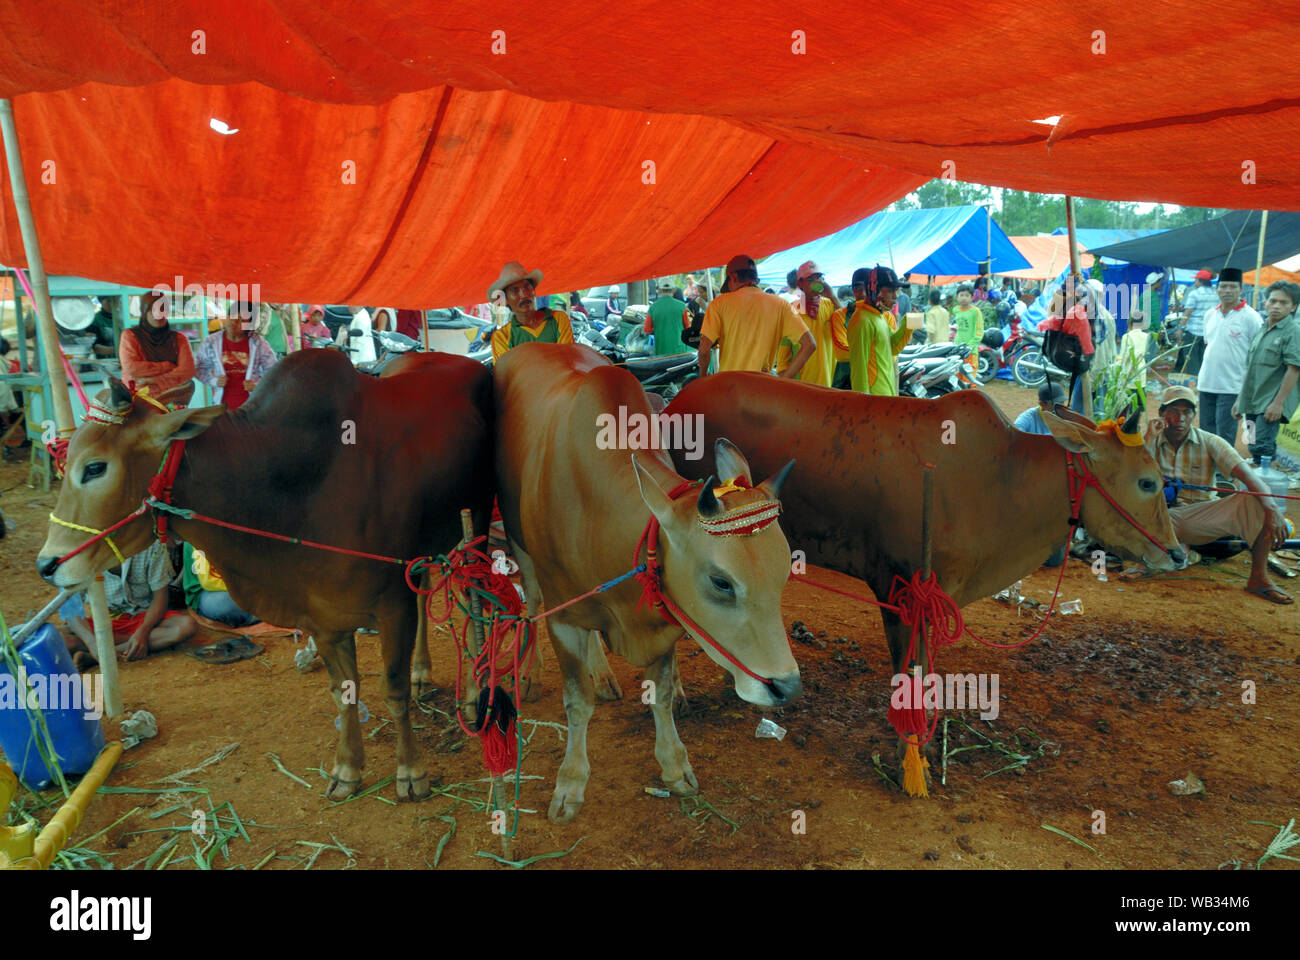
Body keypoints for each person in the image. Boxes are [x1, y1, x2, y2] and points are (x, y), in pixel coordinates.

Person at [1140, 387, 1291, 603]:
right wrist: (1148, 438)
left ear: (1194, 415)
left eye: (1187, 412)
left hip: (1200, 518)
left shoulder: (1210, 441)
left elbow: (1252, 480)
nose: (1180, 418)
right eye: (1173, 411)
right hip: (1159, 518)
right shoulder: (1151, 438)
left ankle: (1259, 578)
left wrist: (1272, 509)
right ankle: (1150, 559)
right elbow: (1134, 481)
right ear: (1162, 414)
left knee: (1256, 499)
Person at [60, 540, 197, 667]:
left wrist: (143, 632)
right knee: (58, 637)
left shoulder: (151, 545)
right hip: (105, 621)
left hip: (145, 615)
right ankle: (135, 643)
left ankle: (98, 657)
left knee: (186, 626)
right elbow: (72, 613)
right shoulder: (76, 553)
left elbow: (160, 598)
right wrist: (92, 643)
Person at [697, 254, 813, 378]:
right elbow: (810, 344)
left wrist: (703, 375)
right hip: (761, 389)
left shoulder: (719, 304)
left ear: (733, 277)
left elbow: (703, 351)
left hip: (729, 387)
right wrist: (783, 380)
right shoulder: (781, 304)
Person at [1234, 280, 1300, 466]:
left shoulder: (1293, 332)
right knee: (1250, 439)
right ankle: (1254, 472)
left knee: (1262, 444)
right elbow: (1250, 367)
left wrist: (1278, 403)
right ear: (1266, 303)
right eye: (1273, 301)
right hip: (1251, 398)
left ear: (1293, 307)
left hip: (1270, 401)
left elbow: (1294, 369)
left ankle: (1262, 484)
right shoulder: (1263, 329)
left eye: (1284, 302)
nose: (1277, 306)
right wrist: (1240, 399)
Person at [1196, 267, 1262, 447]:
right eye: (1223, 287)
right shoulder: (1210, 314)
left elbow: (1256, 356)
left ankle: (1224, 472)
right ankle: (1207, 468)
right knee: (1205, 430)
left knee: (1224, 431)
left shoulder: (1251, 318)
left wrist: (1245, 391)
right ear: (1217, 289)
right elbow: (1208, 344)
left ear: (1241, 290)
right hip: (1207, 382)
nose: (1227, 291)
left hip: (1232, 386)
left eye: (1232, 287)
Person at [195, 302, 278, 410]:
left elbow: (274, 372)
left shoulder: (259, 344)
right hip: (222, 408)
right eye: (232, 316)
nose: (234, 322)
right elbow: (198, 368)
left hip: (252, 409)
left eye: (242, 320)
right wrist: (214, 381)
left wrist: (257, 386)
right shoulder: (211, 342)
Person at [488, 261, 575, 362]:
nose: (524, 294)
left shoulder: (558, 319)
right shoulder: (502, 337)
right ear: (505, 299)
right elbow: (507, 375)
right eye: (515, 290)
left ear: (534, 291)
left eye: (527, 287)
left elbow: (568, 360)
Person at [846, 265, 911, 396]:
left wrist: (908, 325)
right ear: (874, 289)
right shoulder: (862, 321)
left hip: (885, 394)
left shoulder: (878, 316)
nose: (894, 297)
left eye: (896, 291)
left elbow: (893, 346)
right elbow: (859, 370)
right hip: (874, 400)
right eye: (890, 291)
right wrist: (864, 407)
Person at [118, 290, 196, 398]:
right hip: (139, 400)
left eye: (162, 309)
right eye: (152, 309)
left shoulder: (179, 339)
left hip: (172, 398)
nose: (158, 314)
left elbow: (188, 371)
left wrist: (154, 380)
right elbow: (132, 368)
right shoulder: (130, 336)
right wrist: (168, 366)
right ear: (144, 311)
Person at [787, 260, 845, 386]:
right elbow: (784, 352)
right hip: (802, 384)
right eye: (810, 279)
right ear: (799, 283)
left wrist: (832, 297)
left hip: (829, 382)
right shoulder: (791, 310)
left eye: (819, 278)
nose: (817, 282)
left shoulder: (831, 305)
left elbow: (848, 326)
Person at [183, 542, 260, 628]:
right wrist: (244, 589)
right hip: (208, 593)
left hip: (243, 588)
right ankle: (260, 615)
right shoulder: (195, 537)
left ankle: (257, 614)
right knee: (222, 604)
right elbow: (208, 583)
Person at [1176, 269, 1218, 375]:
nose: (1195, 282)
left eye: (1196, 280)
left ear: (1200, 281)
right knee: (1204, 358)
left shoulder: (1194, 293)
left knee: (1191, 358)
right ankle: (1203, 379)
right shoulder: (1216, 293)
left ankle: (1194, 380)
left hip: (1193, 331)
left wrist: (1181, 328)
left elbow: (1188, 312)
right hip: (1209, 332)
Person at [644, 278, 691, 356]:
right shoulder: (682, 306)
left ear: (659, 290)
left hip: (661, 350)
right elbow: (687, 327)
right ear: (673, 290)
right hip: (679, 350)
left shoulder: (653, 307)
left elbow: (647, 329)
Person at [951, 284, 984, 361]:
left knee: (970, 371)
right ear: (957, 297)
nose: (964, 298)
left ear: (972, 297)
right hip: (958, 348)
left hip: (971, 350)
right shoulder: (956, 310)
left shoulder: (975, 311)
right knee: (957, 372)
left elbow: (979, 331)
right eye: (961, 295)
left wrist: (970, 345)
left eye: (967, 295)